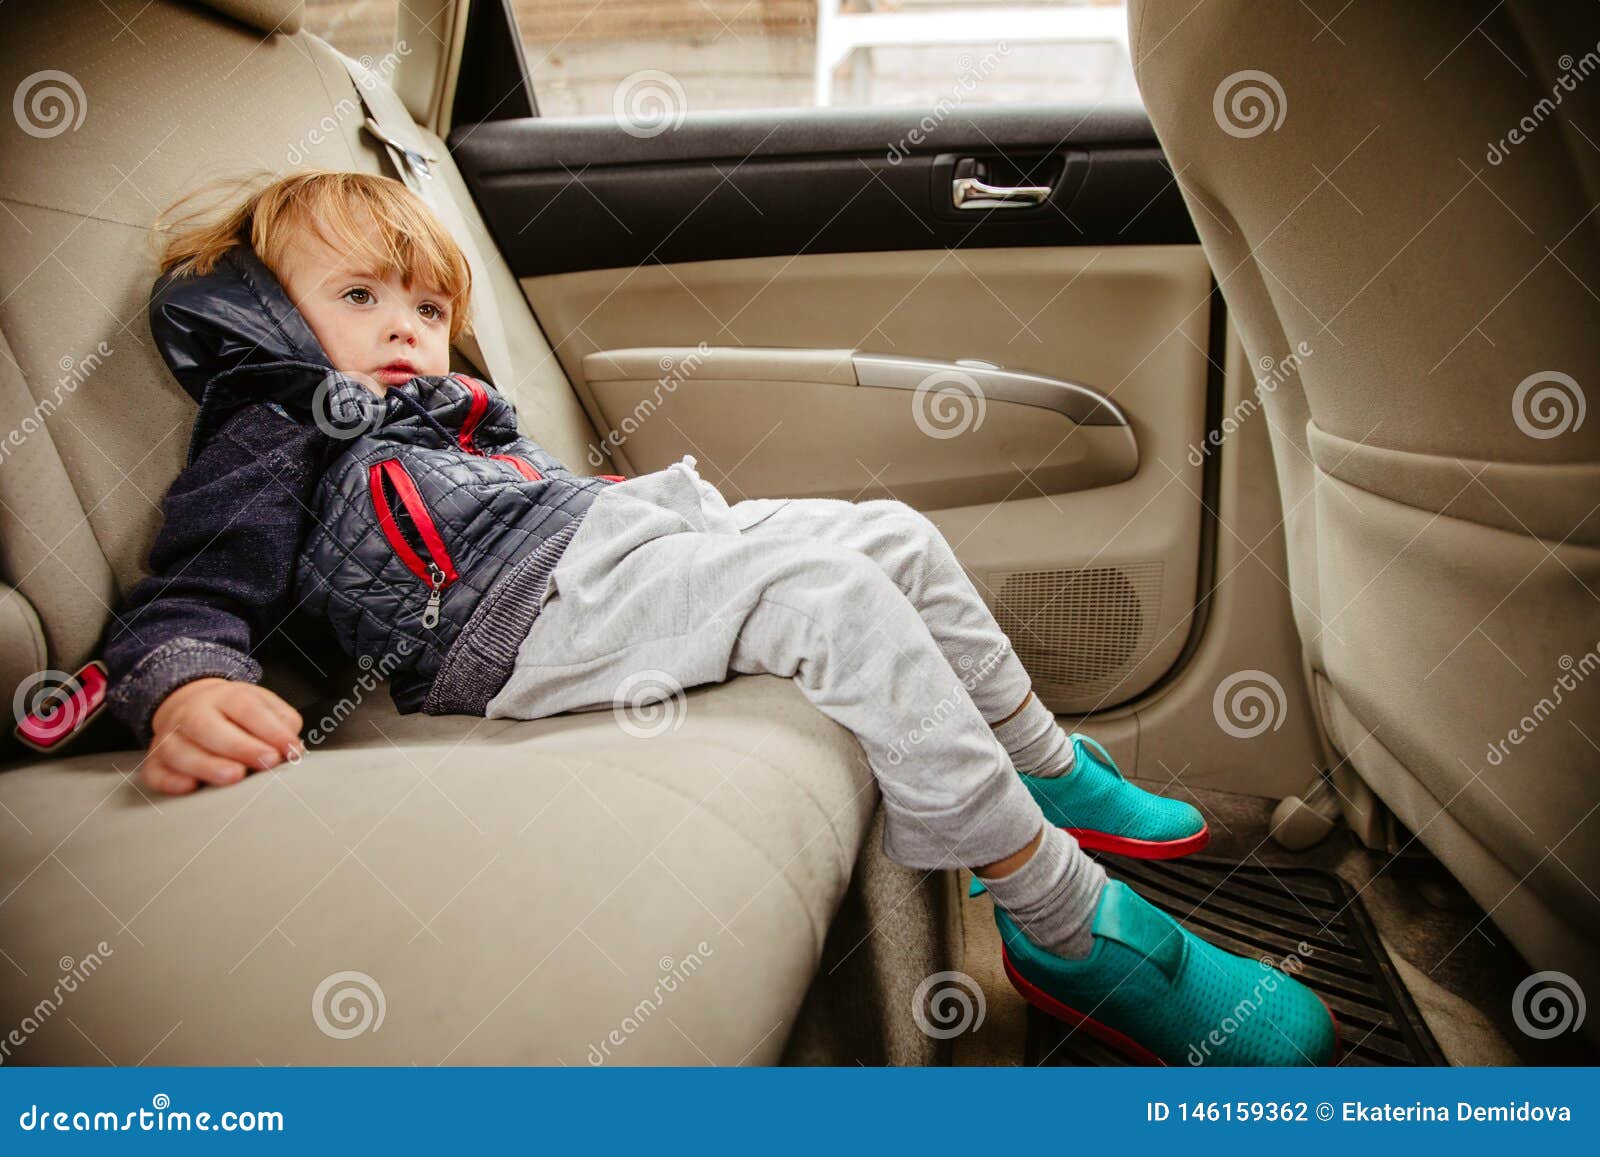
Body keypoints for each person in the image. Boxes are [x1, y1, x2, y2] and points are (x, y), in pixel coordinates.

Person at [103, 169, 1338, 1066]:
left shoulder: (446, 412)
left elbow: (525, 502)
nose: (405, 330)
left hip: (595, 554)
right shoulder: (273, 421)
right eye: (360, 294)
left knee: (891, 530)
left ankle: (1048, 769)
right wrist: (189, 682)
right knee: (831, 596)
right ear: (272, 316)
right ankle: (1061, 922)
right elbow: (197, 583)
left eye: (427, 310)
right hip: (508, 625)